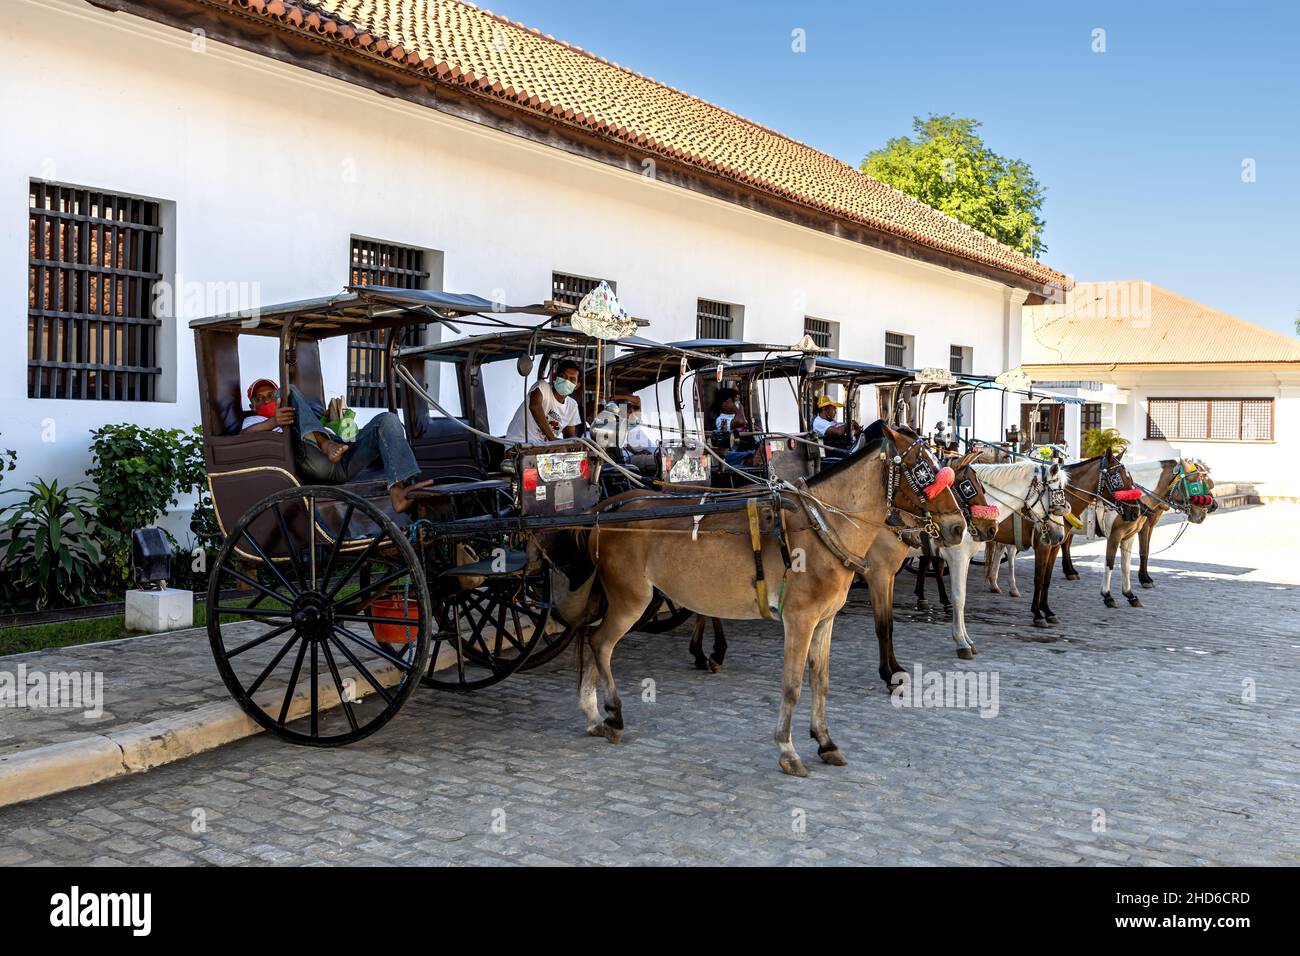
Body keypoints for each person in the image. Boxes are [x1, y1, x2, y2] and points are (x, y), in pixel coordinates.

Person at [242, 378, 431, 513]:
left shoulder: (296, 412)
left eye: (271, 396)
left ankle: (397, 491)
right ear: (252, 406)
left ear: (279, 400)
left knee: (387, 420)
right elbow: (244, 436)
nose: (266, 400)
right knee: (289, 387)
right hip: (313, 460)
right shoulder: (253, 421)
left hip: (343, 457)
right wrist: (274, 422)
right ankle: (326, 444)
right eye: (259, 398)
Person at [506, 360, 582, 443]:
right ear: (554, 376)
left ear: (577, 386)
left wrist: (579, 442)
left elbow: (569, 435)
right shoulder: (542, 387)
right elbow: (535, 407)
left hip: (544, 448)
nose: (567, 381)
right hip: (520, 443)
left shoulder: (572, 405)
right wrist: (552, 439)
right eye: (563, 376)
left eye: (572, 379)